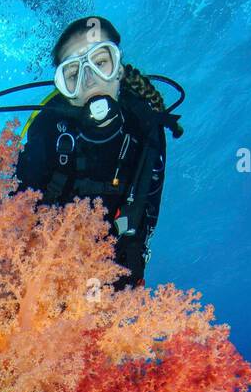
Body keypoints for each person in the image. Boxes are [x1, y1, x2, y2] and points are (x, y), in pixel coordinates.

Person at [14, 16, 183, 288]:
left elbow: (144, 217)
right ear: (66, 92)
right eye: (73, 74)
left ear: (118, 70)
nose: (90, 78)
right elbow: (13, 213)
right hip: (43, 268)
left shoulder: (146, 126)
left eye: (100, 62)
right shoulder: (48, 128)